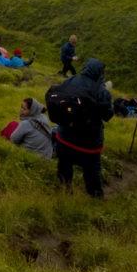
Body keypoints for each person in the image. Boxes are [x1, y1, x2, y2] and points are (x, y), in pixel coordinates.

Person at [46, 57, 114, 197]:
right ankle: (95, 197)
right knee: (92, 172)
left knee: (64, 167)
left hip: (64, 137)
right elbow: (108, 115)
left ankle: (64, 193)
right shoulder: (101, 91)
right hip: (89, 144)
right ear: (100, 73)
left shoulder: (70, 81)